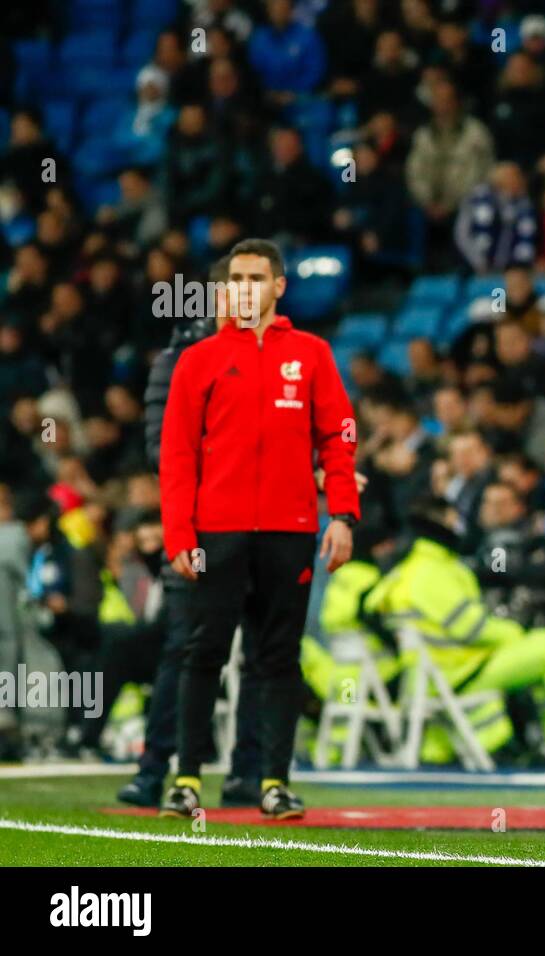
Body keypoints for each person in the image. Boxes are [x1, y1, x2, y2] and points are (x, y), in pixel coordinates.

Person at [158, 239, 360, 820]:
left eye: (256, 277)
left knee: (278, 659)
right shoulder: (198, 361)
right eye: (236, 279)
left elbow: (338, 438)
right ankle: (187, 781)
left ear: (278, 287)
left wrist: (342, 515)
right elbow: (177, 456)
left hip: (289, 529)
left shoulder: (314, 354)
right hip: (216, 533)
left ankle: (274, 782)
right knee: (203, 654)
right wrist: (181, 537)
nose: (245, 288)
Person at [118, 255, 265, 810]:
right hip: (202, 528)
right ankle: (156, 771)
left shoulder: (283, 357)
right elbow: (163, 451)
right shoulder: (181, 358)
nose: (245, 297)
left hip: (269, 526)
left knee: (263, 651)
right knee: (186, 648)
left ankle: (248, 775)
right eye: (235, 287)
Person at [361, 494, 545, 764]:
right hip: (461, 670)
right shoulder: (432, 571)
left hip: (436, 675)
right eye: (452, 517)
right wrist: (514, 632)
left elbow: (370, 608)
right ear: (439, 522)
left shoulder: (409, 568)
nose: (458, 523)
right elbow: (471, 629)